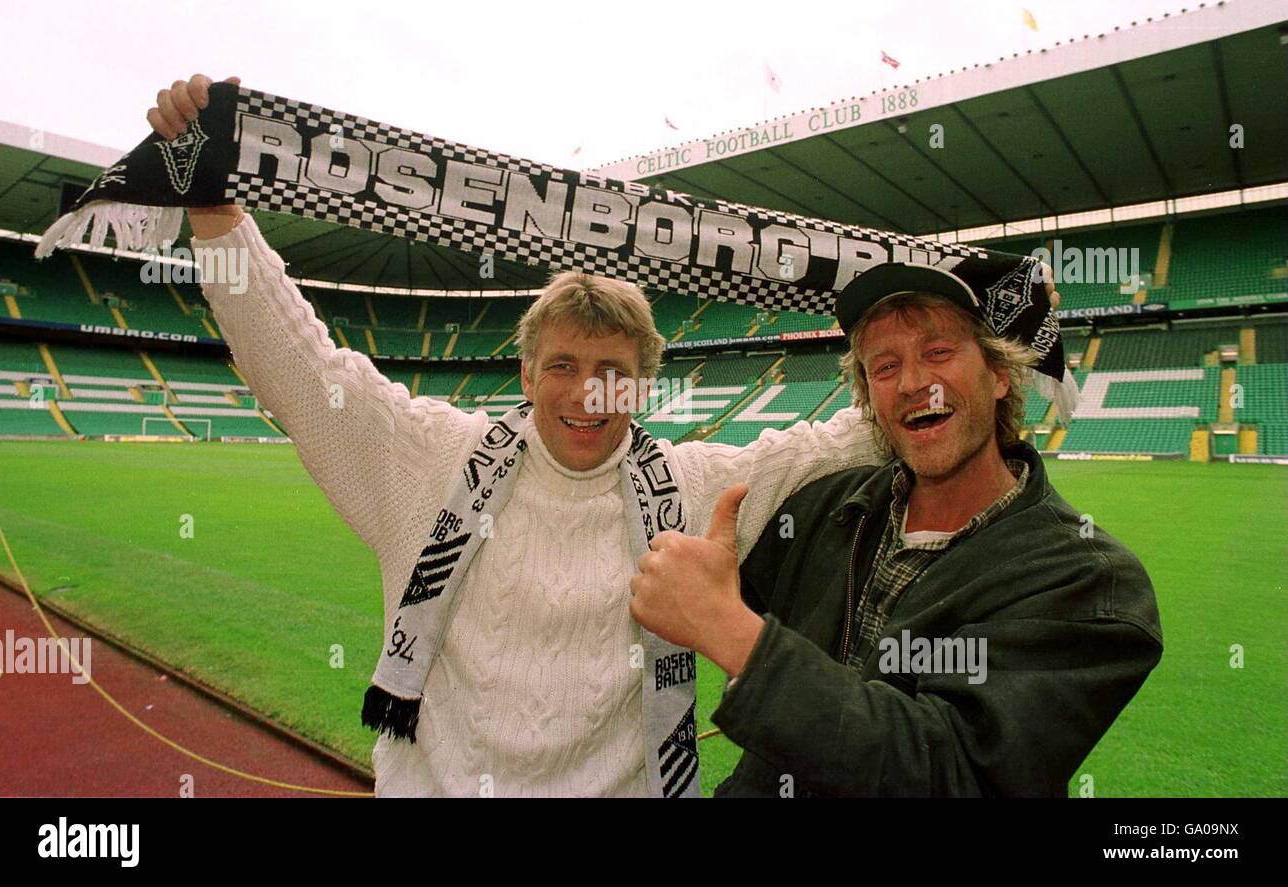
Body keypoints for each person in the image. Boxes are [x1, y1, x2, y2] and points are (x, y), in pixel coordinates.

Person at [149, 74, 885, 797]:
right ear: (527, 377)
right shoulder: (432, 456)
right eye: (562, 365)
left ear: (640, 384)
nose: (587, 391)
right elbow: (296, 365)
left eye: (611, 370)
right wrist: (215, 215)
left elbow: (827, 447)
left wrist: (971, 330)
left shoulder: (692, 486)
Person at [630, 262, 1163, 797]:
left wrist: (732, 633)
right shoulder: (823, 508)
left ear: (1000, 373)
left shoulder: (1085, 579)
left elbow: (953, 772)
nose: (912, 383)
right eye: (884, 367)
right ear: (867, 398)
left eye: (939, 353)